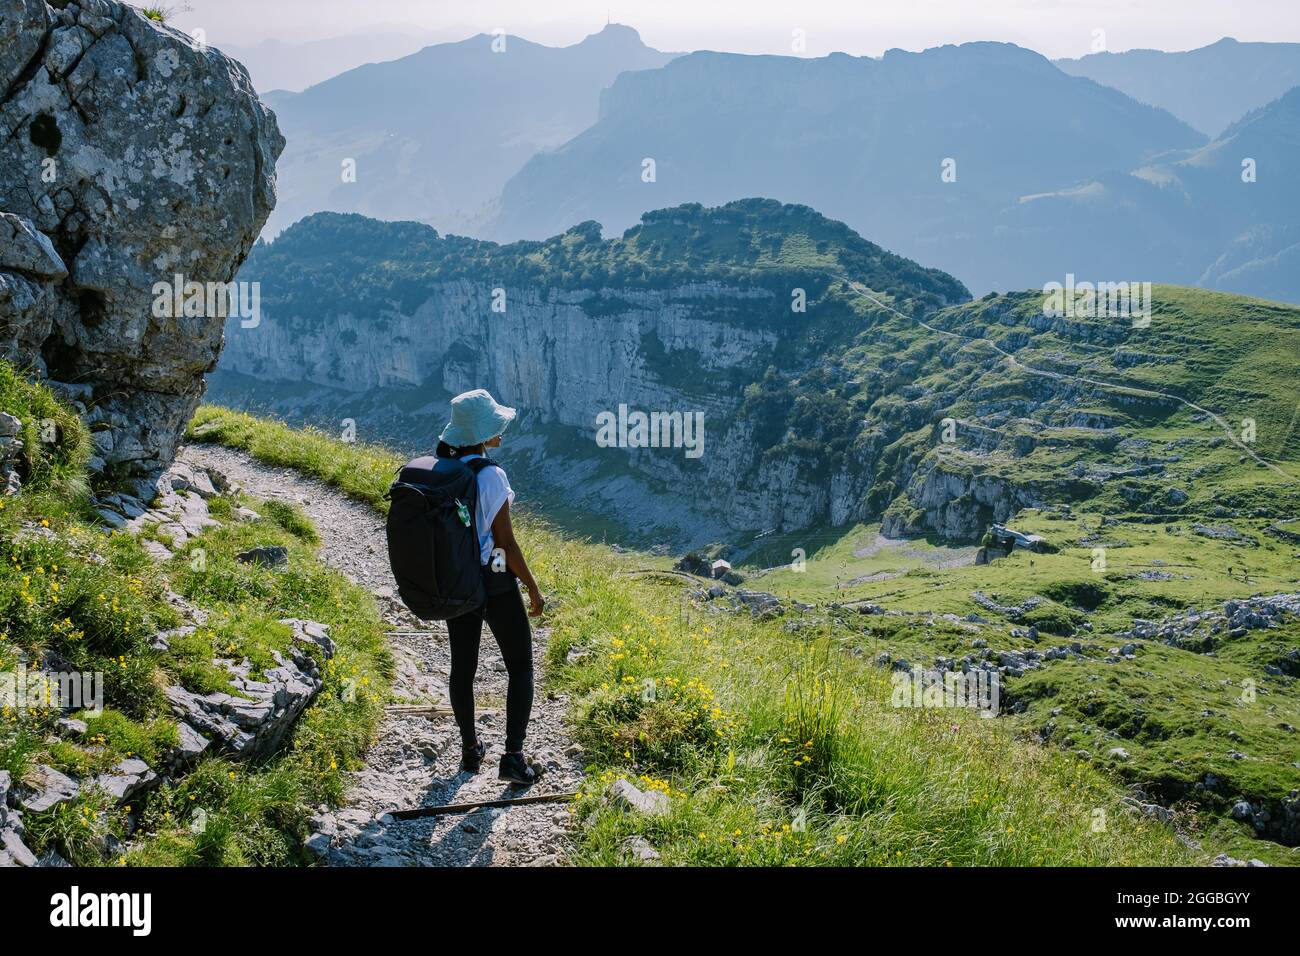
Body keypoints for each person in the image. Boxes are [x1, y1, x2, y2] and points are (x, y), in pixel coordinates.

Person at [434, 389, 546, 784]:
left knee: (462, 668)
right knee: (520, 665)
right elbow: (505, 543)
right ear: (483, 433)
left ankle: (469, 751)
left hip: (459, 580)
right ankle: (513, 758)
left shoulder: (443, 469)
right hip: (493, 579)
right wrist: (531, 587)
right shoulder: (491, 475)